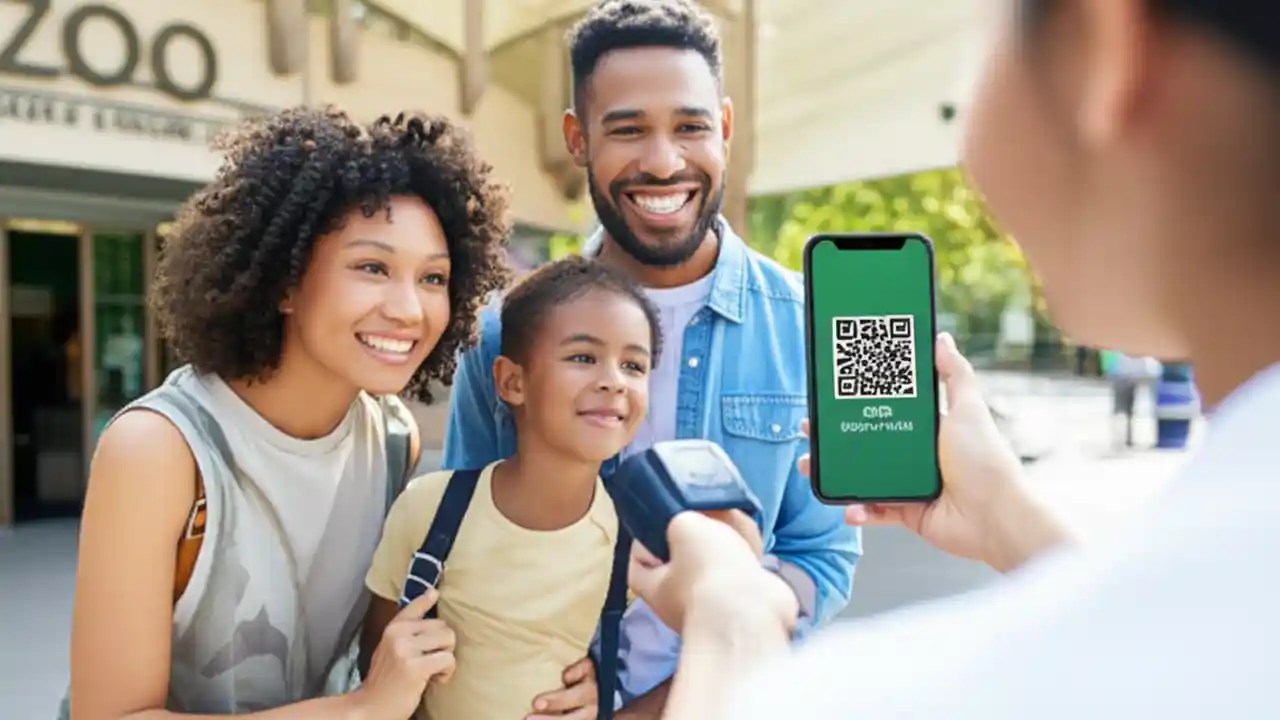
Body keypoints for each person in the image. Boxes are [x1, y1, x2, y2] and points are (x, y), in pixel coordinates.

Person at [626, 0, 1280, 717]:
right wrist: (1005, 518)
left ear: (1102, 50)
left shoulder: (921, 693)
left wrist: (735, 613)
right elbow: (1161, 647)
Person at [64, 106, 597, 719]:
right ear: (284, 282)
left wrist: (551, 677)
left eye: (433, 278)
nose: (409, 309)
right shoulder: (159, 450)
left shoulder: (391, 439)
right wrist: (360, 710)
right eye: (372, 268)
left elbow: (385, 668)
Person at [441, 0, 861, 714]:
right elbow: (463, 542)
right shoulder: (500, 338)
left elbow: (820, 560)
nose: (664, 162)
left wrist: (668, 697)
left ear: (724, 127)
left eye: (690, 127)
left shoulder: (810, 328)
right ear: (578, 139)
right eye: (628, 129)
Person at [362, 256, 661, 720]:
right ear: (512, 382)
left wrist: (604, 695)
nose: (613, 381)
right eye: (583, 358)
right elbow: (376, 667)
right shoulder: (430, 509)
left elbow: (714, 646)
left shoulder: (633, 543)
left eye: (634, 366)